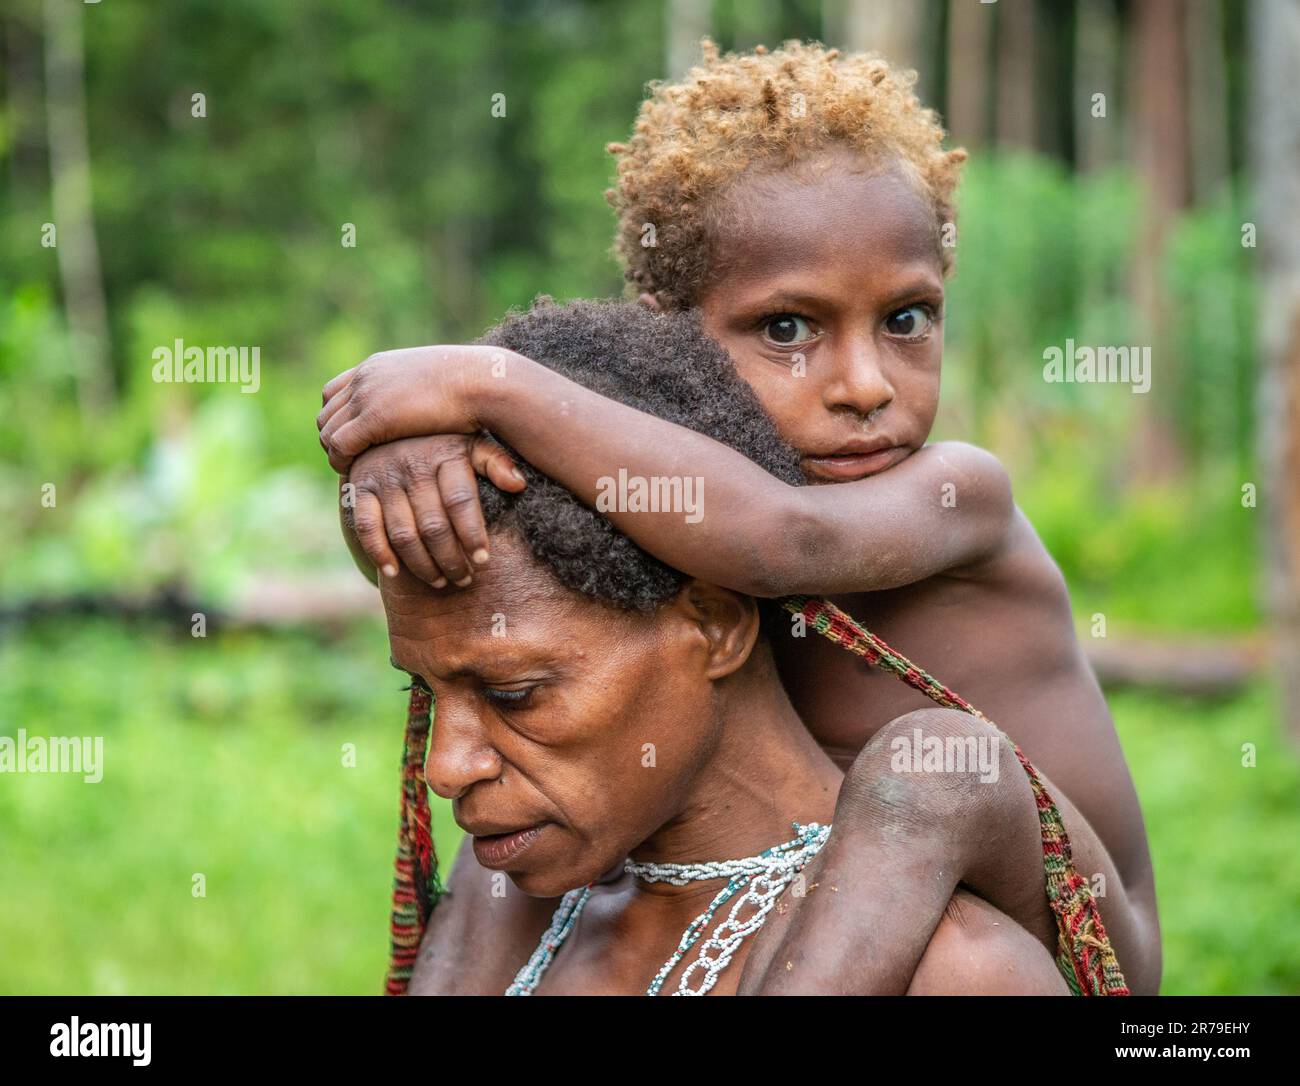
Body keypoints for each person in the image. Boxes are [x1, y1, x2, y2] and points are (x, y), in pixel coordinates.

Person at [339, 297, 1134, 995]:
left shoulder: (952, 971)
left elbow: (780, 535)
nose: (445, 769)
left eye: (515, 695)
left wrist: (485, 384)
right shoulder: (511, 909)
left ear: (719, 623)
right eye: (425, 694)